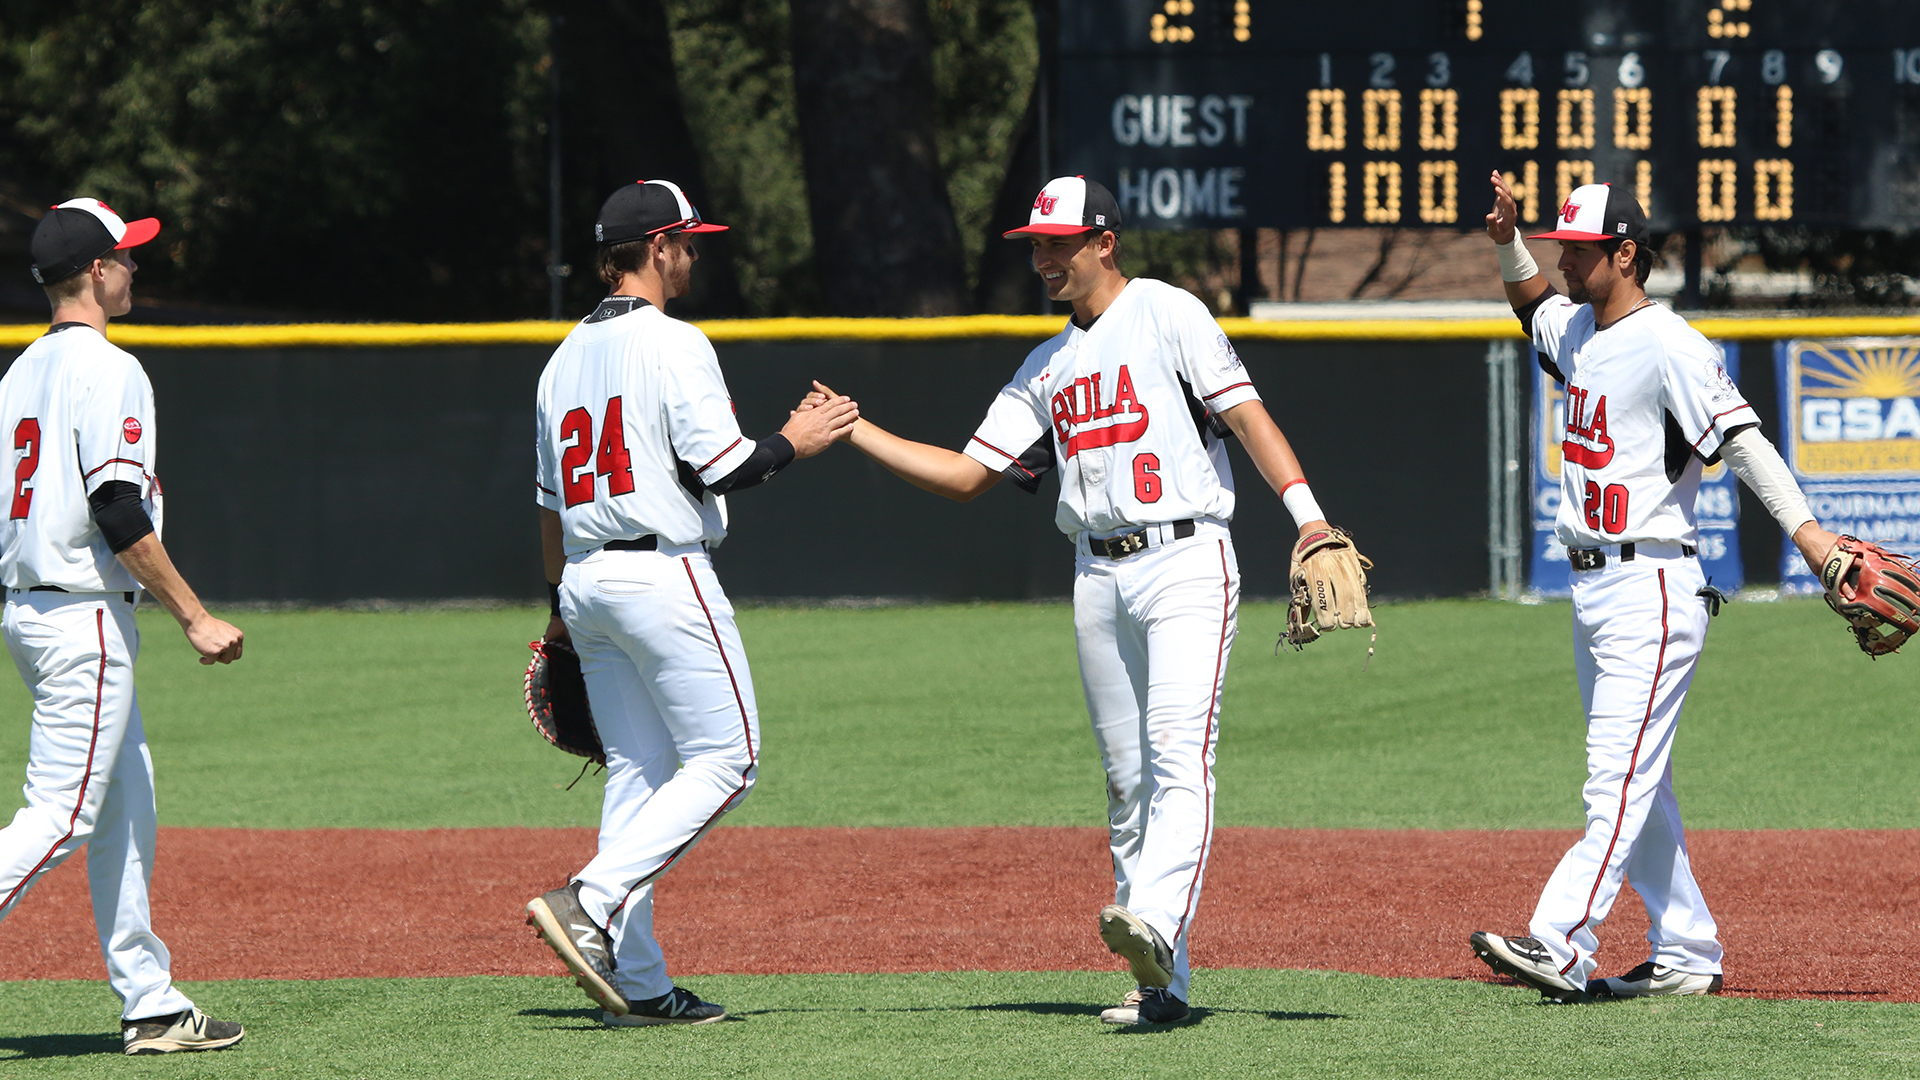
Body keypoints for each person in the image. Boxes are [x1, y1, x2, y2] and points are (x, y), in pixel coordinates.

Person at [804, 176, 1336, 1026]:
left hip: (1186, 558)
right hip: (1096, 574)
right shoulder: (1045, 365)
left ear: (1104, 242)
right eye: (1036, 247)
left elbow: (1246, 417)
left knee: (1178, 755)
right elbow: (966, 475)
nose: (1044, 259)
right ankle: (1161, 985)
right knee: (1127, 783)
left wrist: (1308, 519)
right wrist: (855, 428)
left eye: (1057, 244)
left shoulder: (1168, 312)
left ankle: (1154, 922)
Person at [1469, 178, 1840, 1001]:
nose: (1566, 263)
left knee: (1615, 780)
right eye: (1564, 249)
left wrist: (1809, 537)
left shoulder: (1671, 343)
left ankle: (1560, 942)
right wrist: (1508, 241)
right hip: (1593, 590)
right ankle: (1687, 953)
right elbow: (1531, 306)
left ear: (1626, 254)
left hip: (1653, 586)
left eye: (1581, 252)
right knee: (1643, 786)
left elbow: (1741, 441)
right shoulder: (1579, 326)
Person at [523, 179, 858, 1026]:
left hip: (586, 580)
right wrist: (797, 440)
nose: (693, 255)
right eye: (687, 241)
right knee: (728, 760)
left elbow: (549, 509)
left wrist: (559, 611)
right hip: (659, 574)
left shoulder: (560, 360)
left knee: (639, 774)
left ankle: (635, 984)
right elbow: (725, 466)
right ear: (656, 246)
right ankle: (590, 900)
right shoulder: (674, 341)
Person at [0, 199, 246, 1053]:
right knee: (62, 816)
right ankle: (149, 1000)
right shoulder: (109, 368)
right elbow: (116, 507)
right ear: (97, 271)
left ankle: (151, 1002)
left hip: (32, 608)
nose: (136, 269)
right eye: (128, 258)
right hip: (81, 616)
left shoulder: (18, 373)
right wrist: (194, 615)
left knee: (124, 806)